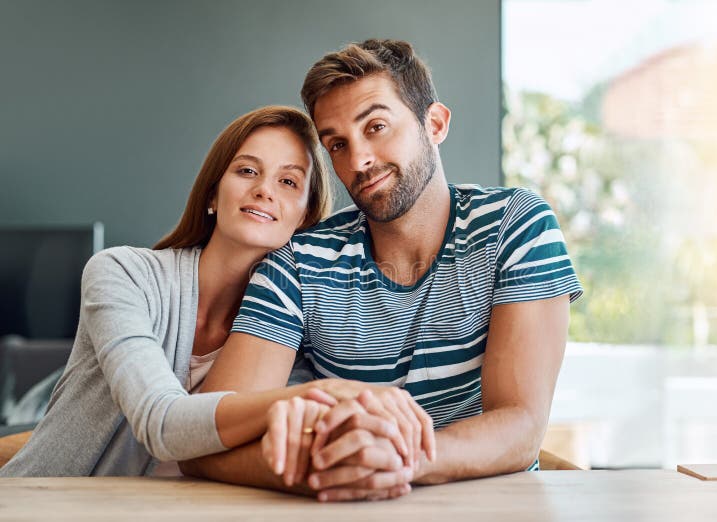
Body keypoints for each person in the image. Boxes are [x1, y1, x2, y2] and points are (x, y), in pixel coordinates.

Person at [183, 39, 583, 499]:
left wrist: (399, 460)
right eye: (337, 144)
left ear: (434, 124)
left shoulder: (516, 226)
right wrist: (329, 468)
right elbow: (202, 438)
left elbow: (522, 423)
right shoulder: (296, 262)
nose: (358, 160)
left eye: (376, 126)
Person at [0, 105, 405, 483]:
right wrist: (320, 395)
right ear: (212, 194)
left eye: (288, 181)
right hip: (39, 506)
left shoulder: (291, 339)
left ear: (305, 216)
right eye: (247, 171)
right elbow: (162, 425)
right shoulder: (121, 273)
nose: (265, 190)